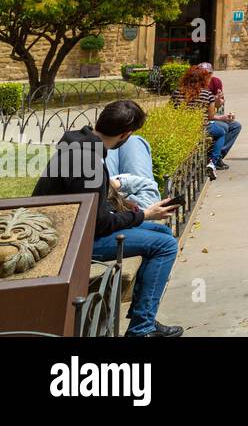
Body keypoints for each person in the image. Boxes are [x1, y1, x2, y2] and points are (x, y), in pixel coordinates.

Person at [33, 100, 183, 336]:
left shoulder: (79, 145)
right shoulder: (88, 161)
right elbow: (98, 224)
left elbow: (93, 211)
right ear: (126, 134)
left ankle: (144, 319)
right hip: (70, 244)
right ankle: (141, 329)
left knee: (163, 233)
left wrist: (134, 213)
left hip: (72, 230)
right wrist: (143, 214)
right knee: (165, 245)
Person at [172, 64, 240, 180]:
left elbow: (172, 111)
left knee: (225, 127)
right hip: (202, 127)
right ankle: (213, 161)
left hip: (182, 126)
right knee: (221, 131)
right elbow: (211, 116)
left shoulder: (177, 92)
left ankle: (213, 159)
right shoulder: (206, 94)